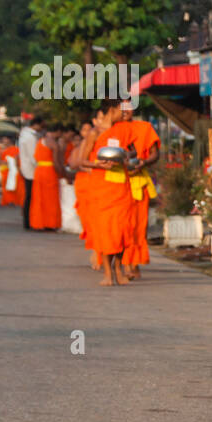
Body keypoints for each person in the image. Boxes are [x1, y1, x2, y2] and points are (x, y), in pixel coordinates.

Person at [83, 100, 136, 286]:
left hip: (121, 187)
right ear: (111, 110)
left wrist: (126, 158)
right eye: (122, 110)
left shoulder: (123, 130)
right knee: (106, 232)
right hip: (103, 188)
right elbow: (82, 161)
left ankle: (118, 270)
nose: (125, 113)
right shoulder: (94, 133)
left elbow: (132, 152)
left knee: (121, 231)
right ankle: (107, 273)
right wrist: (98, 164)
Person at [108, 101, 160, 280]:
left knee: (139, 226)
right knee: (122, 225)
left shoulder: (144, 128)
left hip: (138, 182)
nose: (126, 111)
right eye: (122, 107)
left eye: (129, 107)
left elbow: (155, 153)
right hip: (117, 183)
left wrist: (144, 162)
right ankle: (122, 263)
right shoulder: (112, 131)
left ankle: (134, 263)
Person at [70, 117, 103, 270]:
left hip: (103, 182)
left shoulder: (107, 138)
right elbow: (76, 163)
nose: (87, 132)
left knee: (101, 219)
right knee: (90, 220)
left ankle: (103, 251)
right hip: (86, 183)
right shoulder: (83, 144)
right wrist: (93, 168)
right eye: (84, 129)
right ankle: (96, 251)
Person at [28, 126, 62, 231]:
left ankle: (38, 223)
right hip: (49, 171)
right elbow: (56, 162)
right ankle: (50, 223)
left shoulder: (40, 141)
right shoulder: (53, 143)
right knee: (50, 199)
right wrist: (62, 174)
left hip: (39, 171)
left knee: (39, 198)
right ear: (57, 132)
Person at [17, 115, 43, 229]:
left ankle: (28, 221)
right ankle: (28, 221)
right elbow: (34, 156)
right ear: (36, 124)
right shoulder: (31, 137)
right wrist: (40, 167)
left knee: (29, 196)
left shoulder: (24, 135)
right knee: (30, 196)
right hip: (31, 169)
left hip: (26, 168)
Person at [0, 139, 24, 207]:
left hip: (14, 171)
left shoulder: (17, 150)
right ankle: (8, 201)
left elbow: (17, 161)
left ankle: (14, 201)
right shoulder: (3, 151)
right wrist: (0, 154)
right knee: (7, 187)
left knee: (14, 186)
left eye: (5, 140)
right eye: (3, 140)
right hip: (5, 171)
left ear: (9, 140)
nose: (3, 142)